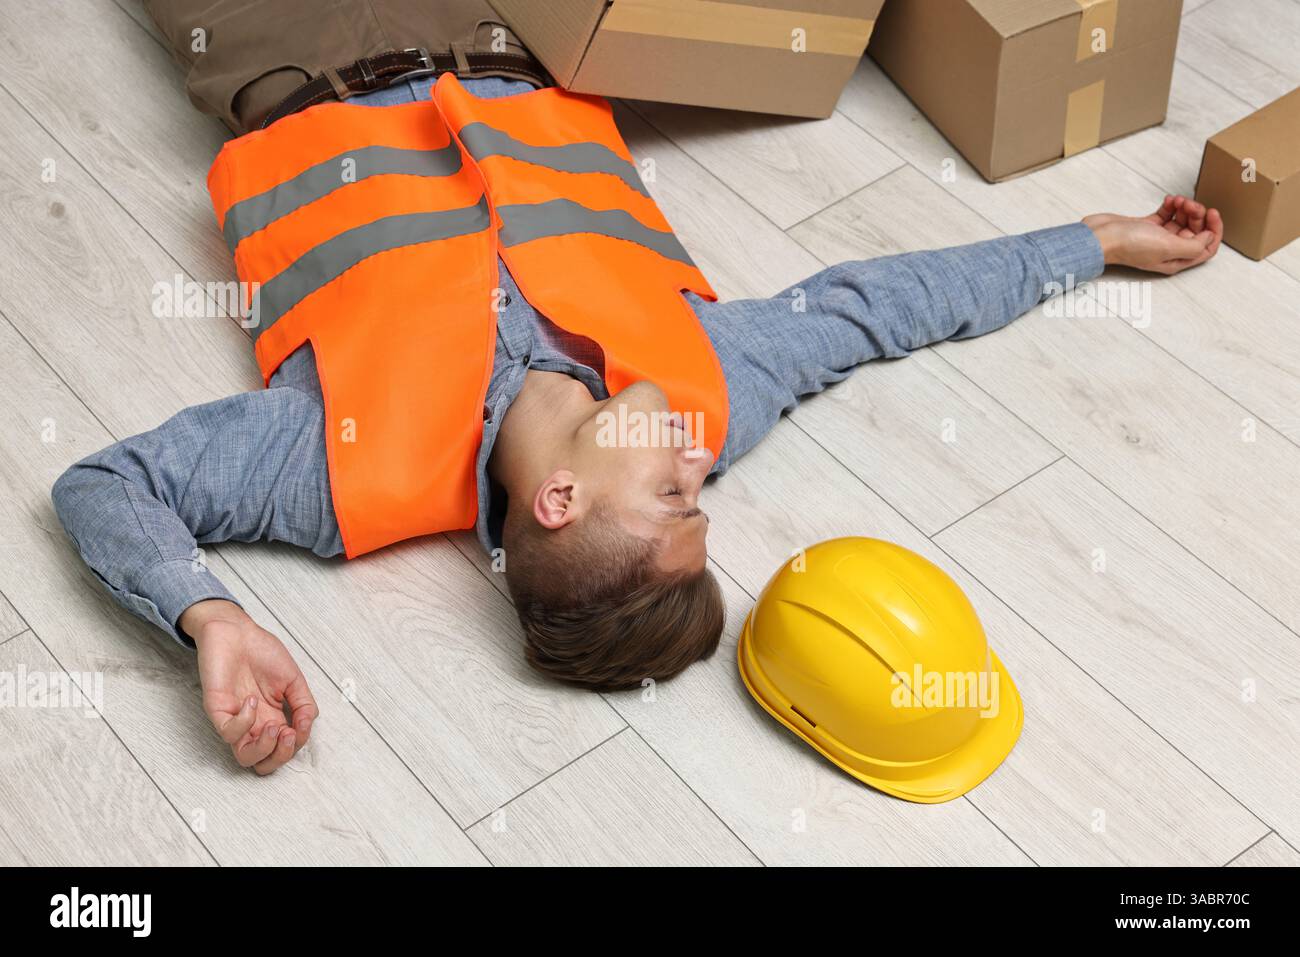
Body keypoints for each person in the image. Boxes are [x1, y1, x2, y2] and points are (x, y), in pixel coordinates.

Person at [51, 68, 1223, 776]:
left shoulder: (337, 473)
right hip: (505, 32)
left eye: (673, 494)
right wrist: (1098, 242)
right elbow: (889, 309)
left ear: (556, 503)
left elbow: (104, 485)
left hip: (280, 47)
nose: (699, 459)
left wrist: (205, 618)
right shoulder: (710, 385)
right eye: (697, 491)